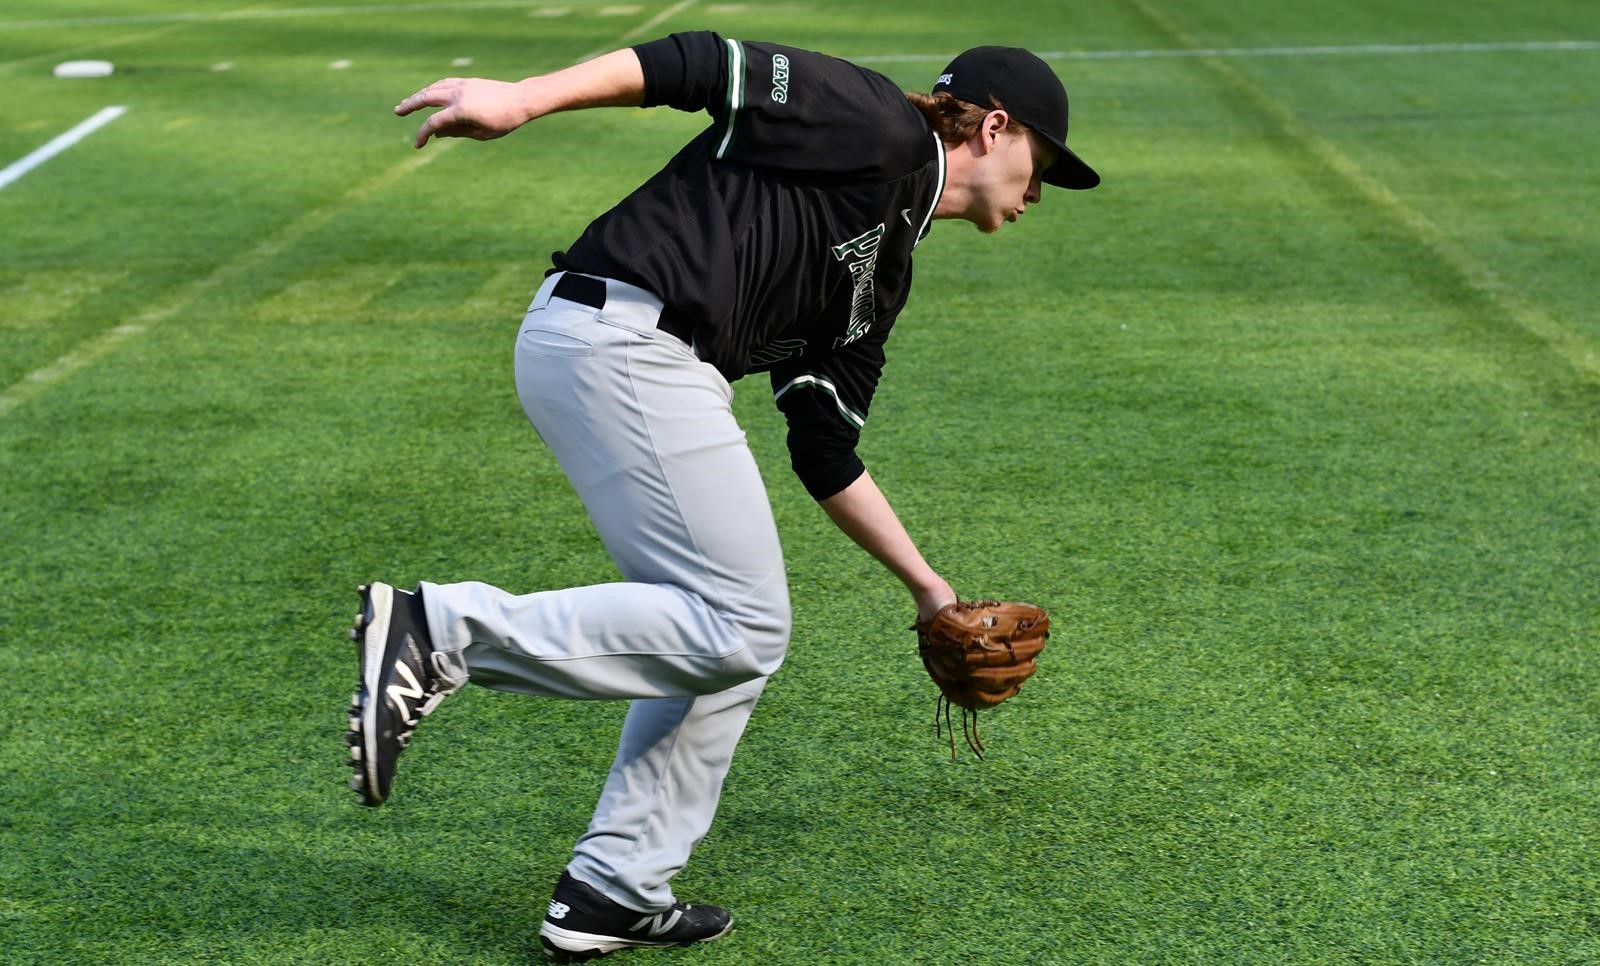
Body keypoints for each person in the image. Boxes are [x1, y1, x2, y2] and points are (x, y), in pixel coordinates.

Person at [345, 31, 1098, 961]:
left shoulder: (885, 274)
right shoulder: (878, 125)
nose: (1038, 194)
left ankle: (615, 889)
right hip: (625, 337)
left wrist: (929, 590)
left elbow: (825, 449)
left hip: (628, 353)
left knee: (727, 645)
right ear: (993, 127)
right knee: (744, 625)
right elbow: (704, 63)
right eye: (1042, 166)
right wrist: (526, 97)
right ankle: (440, 633)